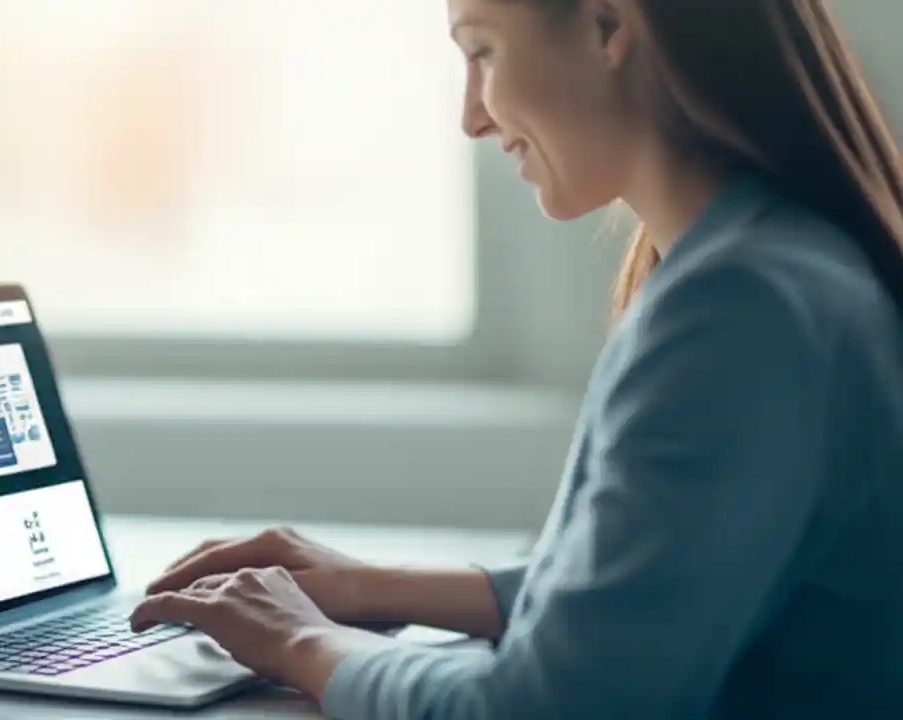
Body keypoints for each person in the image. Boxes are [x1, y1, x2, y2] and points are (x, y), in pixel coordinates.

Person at [129, 0, 903, 717]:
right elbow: (665, 582)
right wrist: (367, 587)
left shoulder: (738, 306)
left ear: (606, 26)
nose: (472, 116)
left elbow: (548, 706)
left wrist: (298, 643)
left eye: (483, 53)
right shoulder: (783, 262)